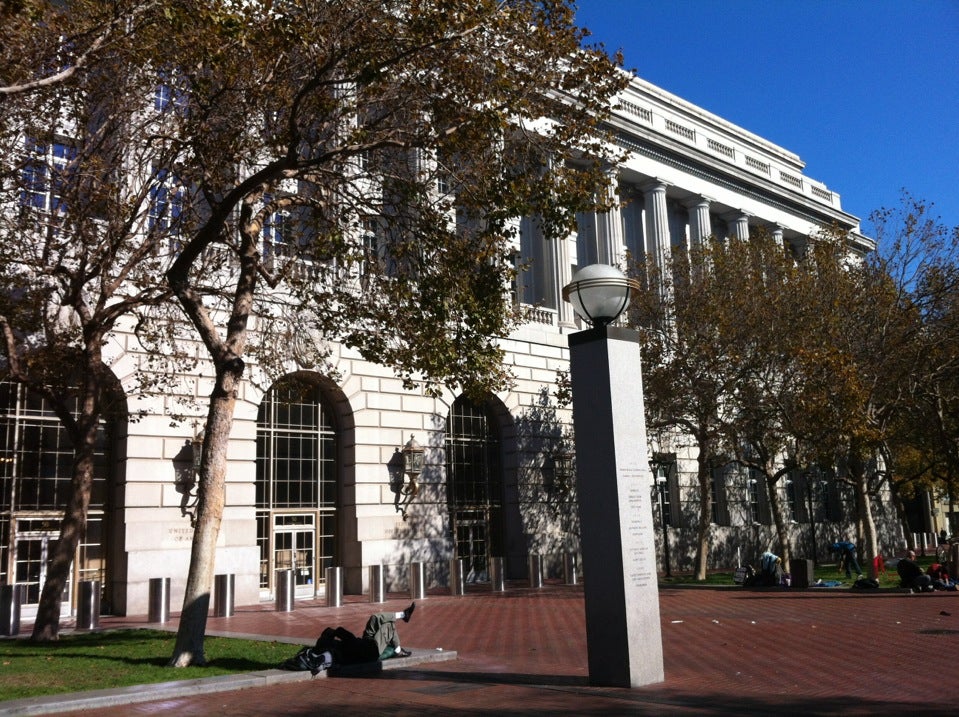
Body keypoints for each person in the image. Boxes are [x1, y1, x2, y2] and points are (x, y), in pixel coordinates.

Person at [311, 603, 417, 671]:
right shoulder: (340, 651)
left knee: (374, 617)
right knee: (389, 625)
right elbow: (349, 637)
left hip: (366, 641)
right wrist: (336, 632)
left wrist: (334, 634)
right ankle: (398, 650)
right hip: (372, 650)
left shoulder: (339, 648)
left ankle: (404, 615)